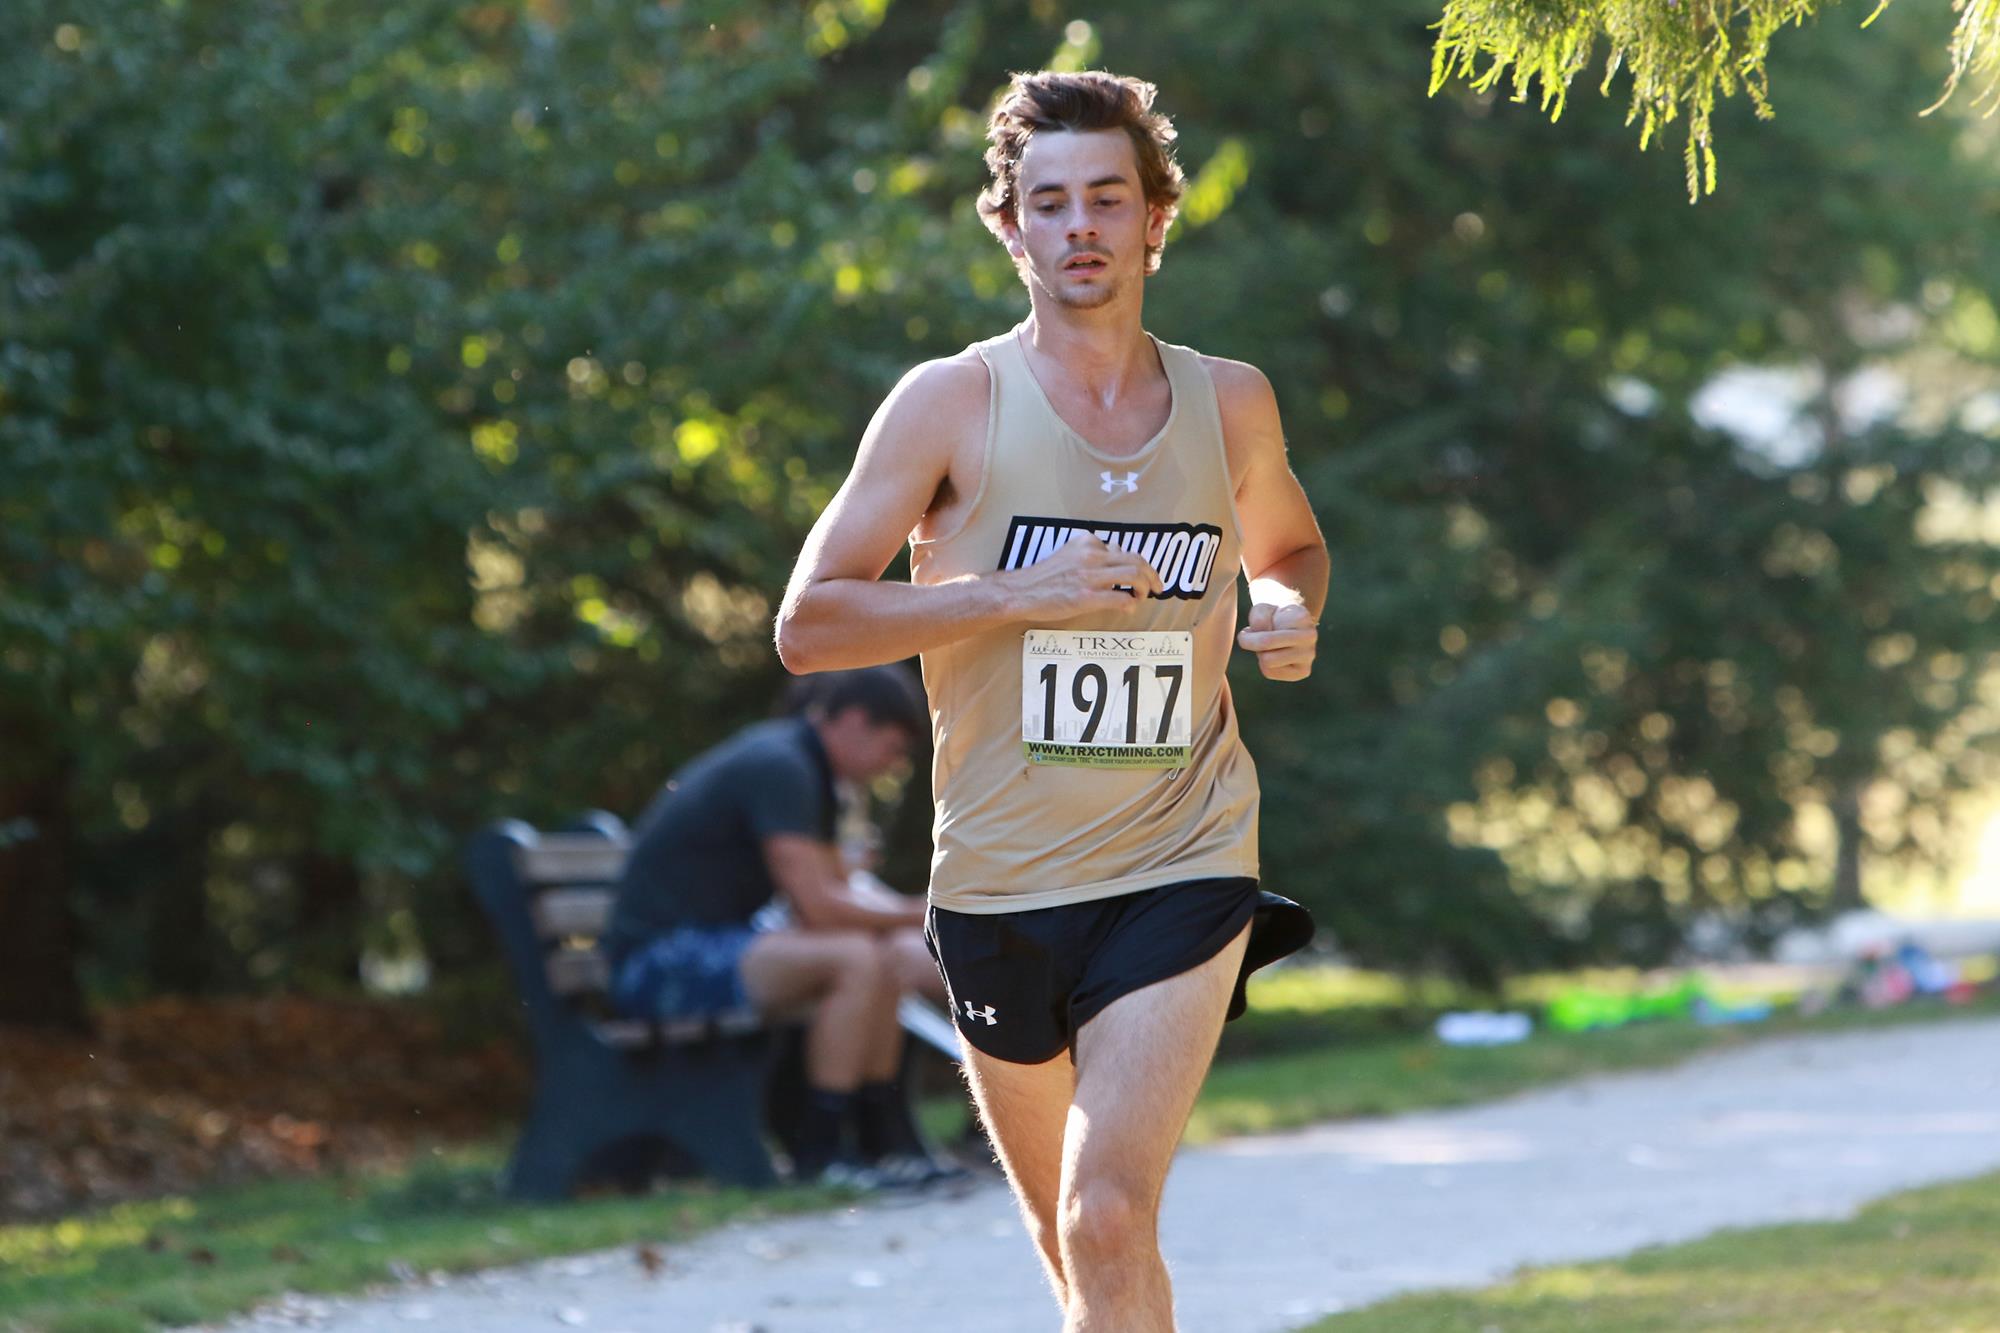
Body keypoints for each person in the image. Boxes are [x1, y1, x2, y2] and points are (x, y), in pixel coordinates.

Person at [775, 69, 1326, 1332]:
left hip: (1182, 851)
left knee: (1106, 1214)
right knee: (1067, 1239)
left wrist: (1288, 611)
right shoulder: (948, 403)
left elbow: (1289, 549)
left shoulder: (1227, 400)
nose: (1079, 225)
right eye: (1048, 202)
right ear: (1007, 225)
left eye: (1106, 199)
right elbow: (809, 624)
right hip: (1000, 881)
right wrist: (1013, 593)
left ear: (1154, 219)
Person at [602, 664, 949, 1188]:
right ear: (855, 722)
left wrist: (905, 917)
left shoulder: (805, 765)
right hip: (658, 963)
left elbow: (832, 889)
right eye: (893, 747)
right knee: (856, 958)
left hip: (715, 945)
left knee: (887, 958)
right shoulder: (783, 766)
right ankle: (821, 1153)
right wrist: (929, 910)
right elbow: (820, 908)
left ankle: (882, 1140)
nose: (892, 765)